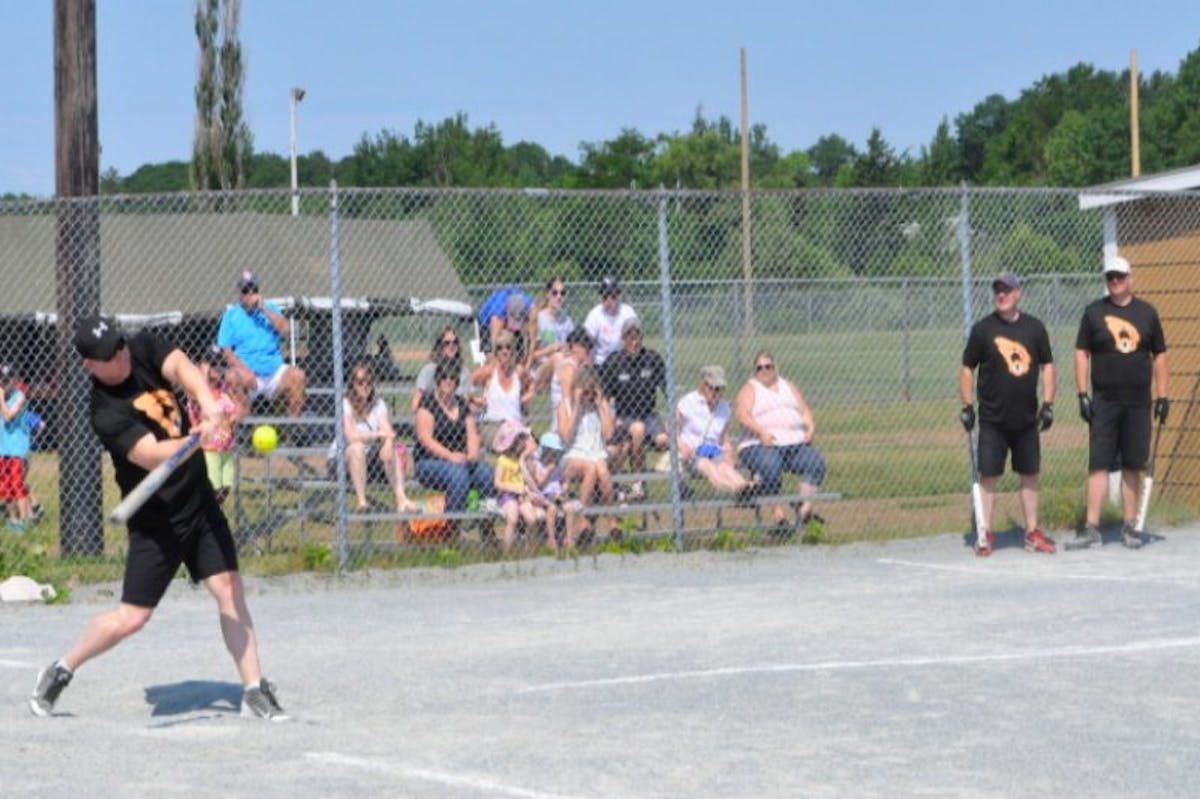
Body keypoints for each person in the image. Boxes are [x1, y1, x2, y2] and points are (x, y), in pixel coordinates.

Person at [30, 314, 286, 720]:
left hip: (198, 502)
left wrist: (207, 403)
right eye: (107, 355)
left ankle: (254, 689)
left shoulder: (141, 346)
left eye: (117, 345)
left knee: (229, 590)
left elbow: (182, 366)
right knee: (132, 617)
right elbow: (150, 455)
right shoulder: (105, 412)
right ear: (89, 365)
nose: (119, 355)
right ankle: (62, 668)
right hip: (157, 521)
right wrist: (197, 439)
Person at [1069, 255, 1168, 550]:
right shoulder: (1094, 313)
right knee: (1098, 463)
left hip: (1138, 403)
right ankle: (1091, 527)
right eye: (1110, 277)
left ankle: (1129, 526)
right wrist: (1082, 393)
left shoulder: (1147, 314)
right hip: (1105, 402)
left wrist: (1162, 395)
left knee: (1132, 464)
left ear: (1130, 278)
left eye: (1120, 277)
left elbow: (1160, 355)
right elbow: (1080, 352)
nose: (1114, 282)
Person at [959, 271, 1057, 557]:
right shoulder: (983, 330)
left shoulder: (1034, 329)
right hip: (993, 419)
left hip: (1026, 419)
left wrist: (1048, 404)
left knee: (1030, 473)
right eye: (997, 291)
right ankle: (985, 532)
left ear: (1017, 294)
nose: (1001, 295)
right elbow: (967, 367)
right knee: (988, 475)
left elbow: (1048, 366)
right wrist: (967, 406)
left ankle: (1032, 531)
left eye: (1006, 290)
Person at [735, 350, 827, 532]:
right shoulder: (751, 388)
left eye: (768, 366)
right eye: (759, 367)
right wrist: (761, 432)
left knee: (815, 463)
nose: (764, 370)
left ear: (775, 367)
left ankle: (804, 510)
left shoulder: (788, 386)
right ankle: (780, 520)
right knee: (771, 467)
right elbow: (742, 416)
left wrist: (810, 428)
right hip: (759, 445)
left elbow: (805, 410)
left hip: (794, 443)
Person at [328, 362, 417, 515]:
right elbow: (351, 436)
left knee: (392, 449)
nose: (365, 386)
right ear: (353, 384)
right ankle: (362, 503)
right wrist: (377, 435)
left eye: (368, 382)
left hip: (367, 460)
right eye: (360, 382)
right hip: (340, 460)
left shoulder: (378, 404)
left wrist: (388, 442)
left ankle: (402, 500)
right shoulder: (345, 404)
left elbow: (388, 431)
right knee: (357, 447)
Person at [217, 269, 306, 417]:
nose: (250, 294)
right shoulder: (231, 315)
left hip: (274, 371)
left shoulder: (270, 308)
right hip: (247, 372)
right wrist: (244, 370)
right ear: (240, 293)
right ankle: (244, 425)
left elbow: (286, 329)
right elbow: (225, 350)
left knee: (298, 376)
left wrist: (263, 308)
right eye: (246, 290)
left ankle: (294, 428)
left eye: (254, 289)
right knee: (232, 377)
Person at [413, 359, 493, 521]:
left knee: (485, 473)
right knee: (458, 475)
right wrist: (450, 456)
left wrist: (472, 455)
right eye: (444, 377)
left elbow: (472, 434)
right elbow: (425, 439)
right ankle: (452, 529)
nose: (448, 380)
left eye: (452, 377)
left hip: (460, 460)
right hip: (429, 462)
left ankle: (485, 525)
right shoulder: (428, 403)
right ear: (437, 380)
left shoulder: (462, 404)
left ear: (457, 382)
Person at [601, 316, 667, 499]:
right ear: (623, 339)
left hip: (649, 414)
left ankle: (675, 483)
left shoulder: (651, 358)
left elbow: (667, 390)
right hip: (626, 415)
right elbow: (603, 398)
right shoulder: (614, 362)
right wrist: (610, 421)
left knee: (663, 440)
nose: (634, 342)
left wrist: (670, 420)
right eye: (630, 337)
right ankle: (638, 482)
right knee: (637, 430)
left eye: (637, 337)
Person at [557, 365, 619, 542]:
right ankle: (583, 520)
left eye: (592, 391)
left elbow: (608, 435)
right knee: (592, 467)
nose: (588, 396)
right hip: (573, 455)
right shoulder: (565, 406)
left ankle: (612, 521)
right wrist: (577, 405)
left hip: (597, 453)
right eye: (585, 390)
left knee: (601, 469)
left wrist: (600, 405)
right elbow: (566, 437)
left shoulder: (600, 405)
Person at [675, 365, 753, 496]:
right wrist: (681, 445)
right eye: (713, 388)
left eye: (720, 389)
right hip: (693, 454)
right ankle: (740, 490)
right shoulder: (688, 402)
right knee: (708, 466)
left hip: (715, 451)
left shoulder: (724, 408)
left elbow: (724, 438)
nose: (716, 393)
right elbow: (671, 428)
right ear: (703, 385)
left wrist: (728, 451)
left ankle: (744, 487)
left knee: (726, 467)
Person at [186, 352, 245, 505]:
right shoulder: (196, 393)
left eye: (219, 367)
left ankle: (215, 507)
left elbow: (236, 412)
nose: (216, 371)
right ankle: (210, 508)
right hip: (209, 448)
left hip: (226, 447)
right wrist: (203, 374)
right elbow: (197, 401)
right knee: (214, 486)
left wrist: (231, 419)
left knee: (227, 485)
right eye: (212, 367)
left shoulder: (224, 393)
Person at [471, 329, 533, 445]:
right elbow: (466, 382)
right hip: (493, 425)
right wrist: (474, 399)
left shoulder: (518, 371)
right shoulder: (490, 371)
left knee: (531, 445)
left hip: (515, 425)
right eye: (500, 348)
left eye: (508, 347)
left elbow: (533, 384)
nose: (504, 351)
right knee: (522, 444)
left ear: (513, 351)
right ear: (496, 352)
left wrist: (526, 397)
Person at [491, 419, 537, 553]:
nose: (524, 443)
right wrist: (514, 488)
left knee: (531, 519)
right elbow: (497, 483)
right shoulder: (503, 460)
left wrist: (527, 455)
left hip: (522, 495)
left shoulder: (521, 460)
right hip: (507, 495)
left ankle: (530, 551)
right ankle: (507, 553)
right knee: (512, 518)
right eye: (521, 440)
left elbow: (528, 478)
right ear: (512, 443)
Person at [522, 431, 574, 551]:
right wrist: (548, 471)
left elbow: (564, 481)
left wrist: (564, 488)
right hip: (545, 495)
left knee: (569, 508)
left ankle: (569, 538)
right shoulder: (539, 465)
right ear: (544, 451)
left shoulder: (558, 465)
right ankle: (551, 539)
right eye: (551, 452)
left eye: (556, 453)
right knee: (553, 509)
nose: (554, 456)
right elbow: (539, 484)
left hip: (558, 495)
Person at [410, 327, 476, 415]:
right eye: (447, 343)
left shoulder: (464, 372)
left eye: (455, 342)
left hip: (456, 415)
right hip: (433, 414)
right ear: (440, 346)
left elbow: (466, 400)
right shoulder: (429, 370)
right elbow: (416, 400)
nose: (451, 345)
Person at [1, 362, 35, 532]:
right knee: (4, 486)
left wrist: (0, 398)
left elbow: (8, 416)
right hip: (3, 449)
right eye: (2, 380)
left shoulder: (19, 396)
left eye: (7, 380)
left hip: (17, 449)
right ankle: (13, 520)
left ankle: (24, 521)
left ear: (15, 380)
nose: (4, 384)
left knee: (17, 483)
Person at [545, 327, 594, 434]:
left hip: (575, 422)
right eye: (587, 348)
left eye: (590, 348)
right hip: (564, 427)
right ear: (575, 347)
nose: (590, 352)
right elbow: (567, 400)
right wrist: (569, 429)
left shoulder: (578, 366)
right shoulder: (569, 367)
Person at [583, 276, 638, 367]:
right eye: (605, 297)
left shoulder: (627, 312)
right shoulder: (595, 314)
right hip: (601, 364)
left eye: (613, 296)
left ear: (619, 295)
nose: (609, 301)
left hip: (624, 363)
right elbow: (586, 342)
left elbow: (636, 338)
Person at [528, 275, 575, 374]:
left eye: (562, 293)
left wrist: (567, 350)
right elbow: (532, 354)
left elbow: (573, 348)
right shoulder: (539, 318)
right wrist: (549, 350)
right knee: (557, 357)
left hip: (563, 364)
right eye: (555, 293)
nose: (559, 296)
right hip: (542, 366)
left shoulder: (567, 321)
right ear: (547, 295)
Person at [477, 285, 533, 359]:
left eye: (518, 320)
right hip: (485, 324)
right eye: (513, 320)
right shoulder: (498, 316)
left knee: (519, 355)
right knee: (491, 356)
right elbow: (492, 345)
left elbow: (532, 339)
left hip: (510, 312)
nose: (514, 325)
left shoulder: (531, 308)